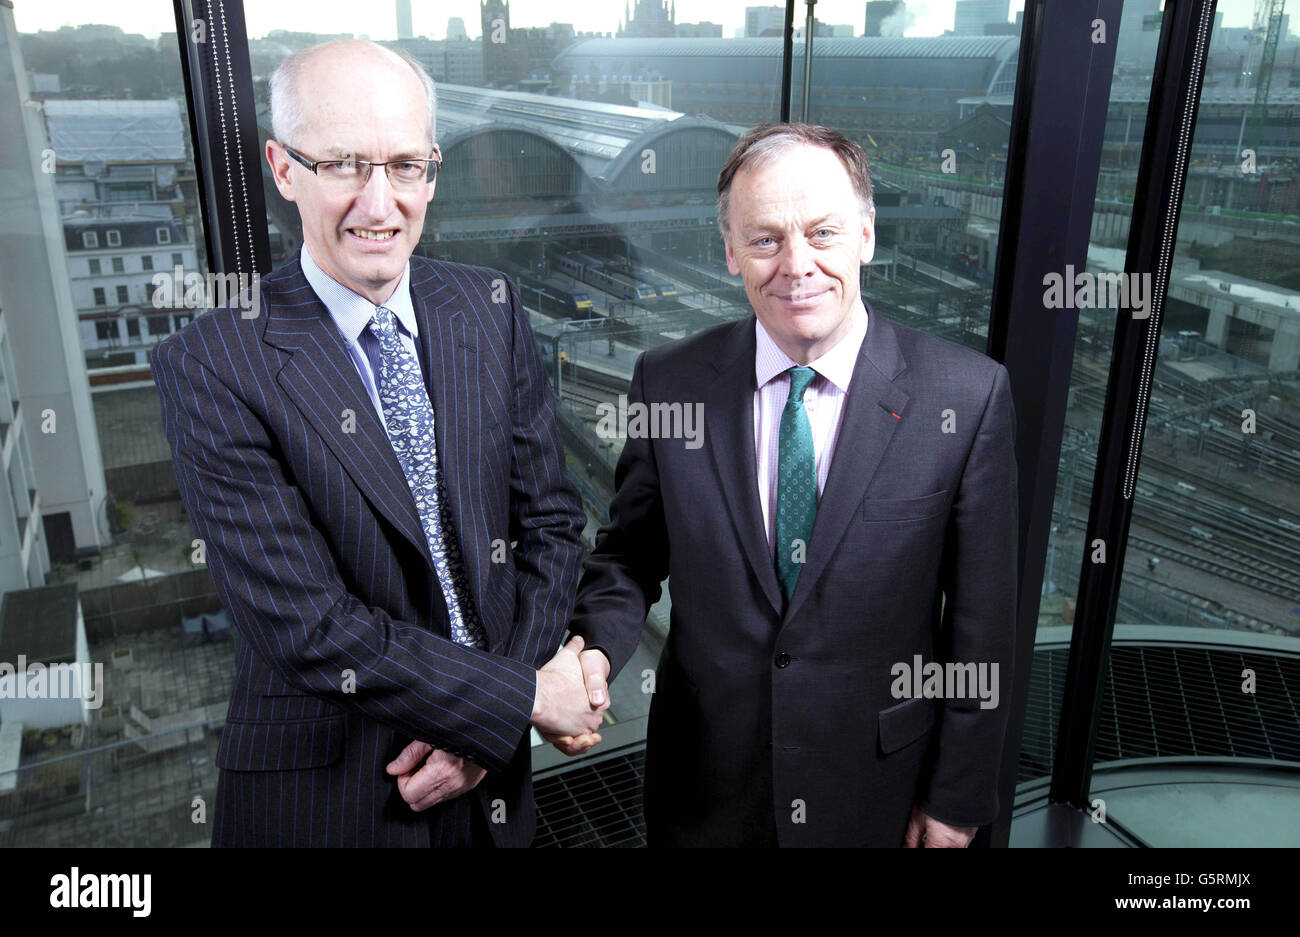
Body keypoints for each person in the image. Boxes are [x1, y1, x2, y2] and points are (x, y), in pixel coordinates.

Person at [152, 39, 602, 848]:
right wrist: (526, 700)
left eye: (405, 166)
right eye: (344, 166)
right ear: (283, 169)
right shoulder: (213, 362)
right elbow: (308, 625)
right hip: (335, 795)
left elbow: (553, 527)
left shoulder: (487, 305)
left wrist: (484, 723)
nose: (380, 201)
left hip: (491, 783)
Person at [559, 123, 1019, 847]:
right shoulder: (669, 381)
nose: (797, 264)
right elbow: (629, 555)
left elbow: (982, 623)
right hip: (704, 788)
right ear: (732, 250)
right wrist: (594, 649)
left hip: (878, 788)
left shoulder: (965, 396)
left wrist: (958, 798)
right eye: (766, 238)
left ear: (867, 233)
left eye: (824, 232)